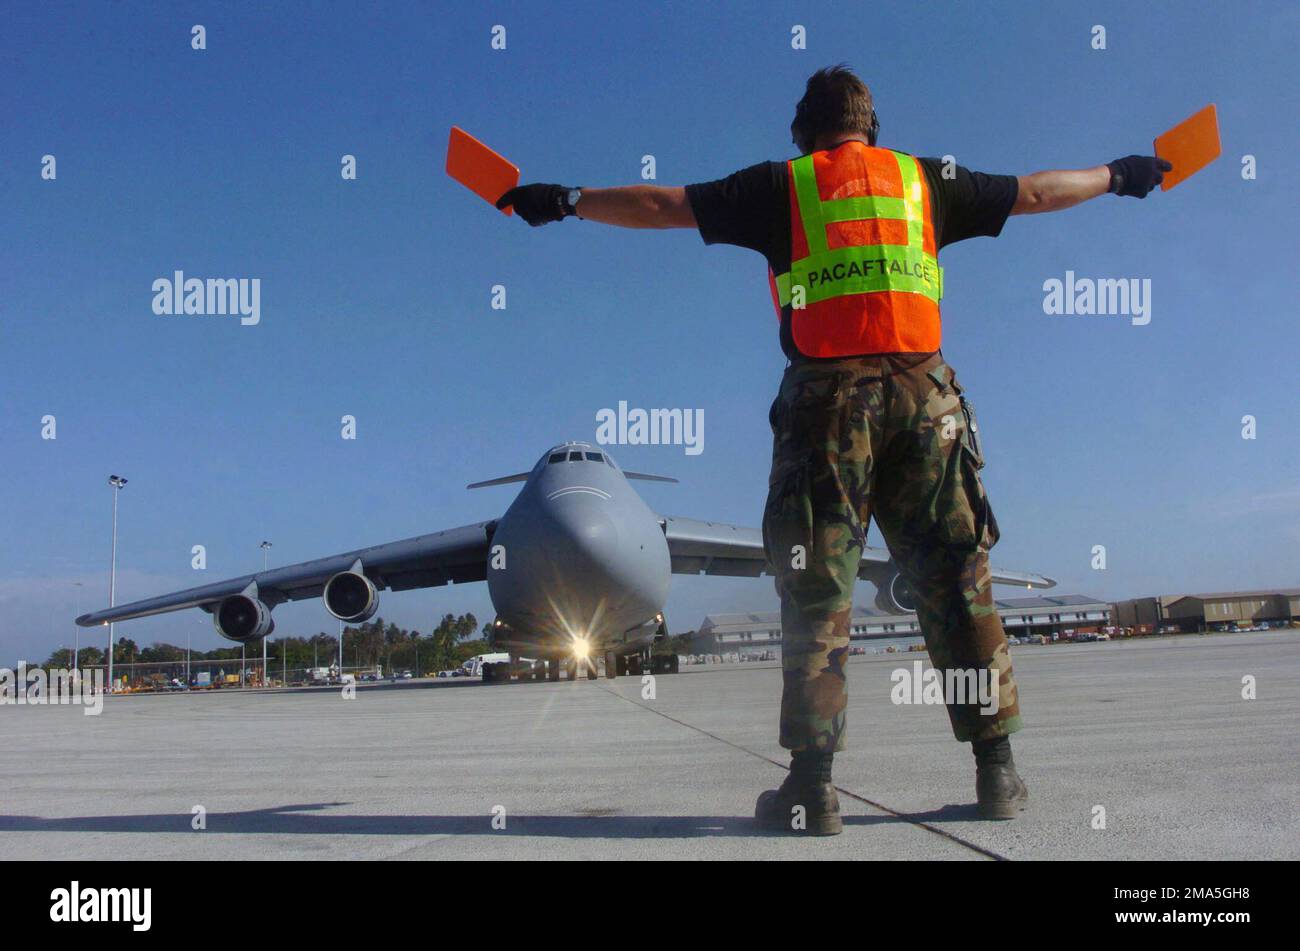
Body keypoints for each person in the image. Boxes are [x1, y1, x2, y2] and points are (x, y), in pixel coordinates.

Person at [496, 65, 1171, 836]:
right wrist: (1120, 174)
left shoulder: (783, 186)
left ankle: (813, 789)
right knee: (958, 582)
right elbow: (1041, 191)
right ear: (871, 126)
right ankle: (997, 773)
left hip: (828, 408)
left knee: (817, 591)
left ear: (803, 129)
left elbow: (660, 204)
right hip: (929, 404)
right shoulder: (927, 180)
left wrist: (568, 201)